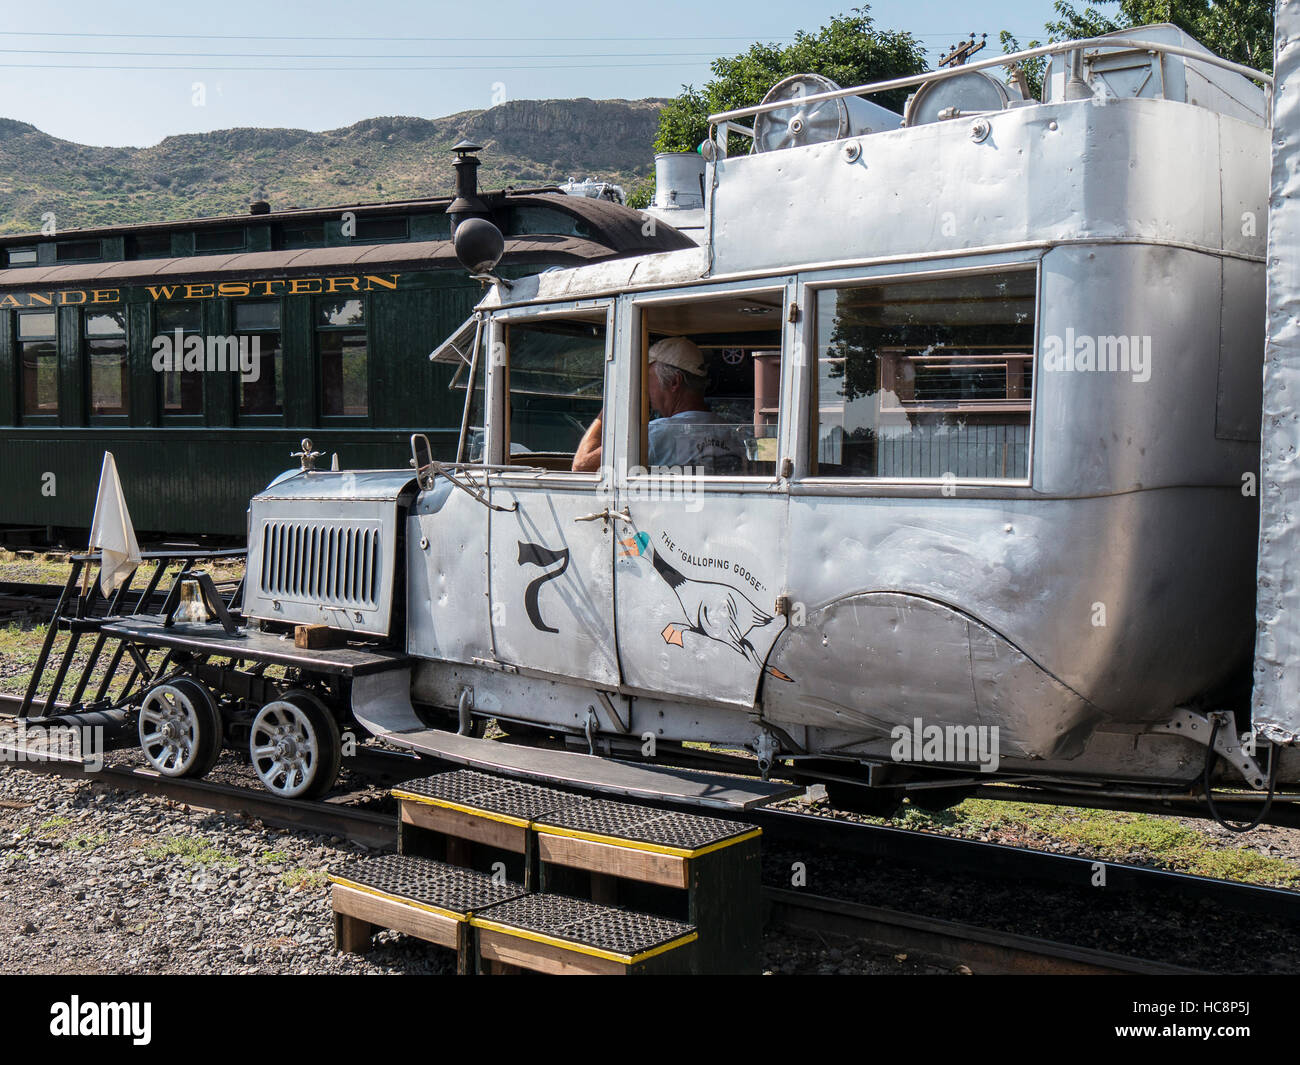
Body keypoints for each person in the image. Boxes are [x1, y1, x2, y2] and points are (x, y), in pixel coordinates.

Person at [570, 336, 748, 473]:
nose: (645, 390)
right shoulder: (730, 434)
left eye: (648, 381)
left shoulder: (656, 435)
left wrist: (609, 408)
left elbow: (581, 467)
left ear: (674, 382)